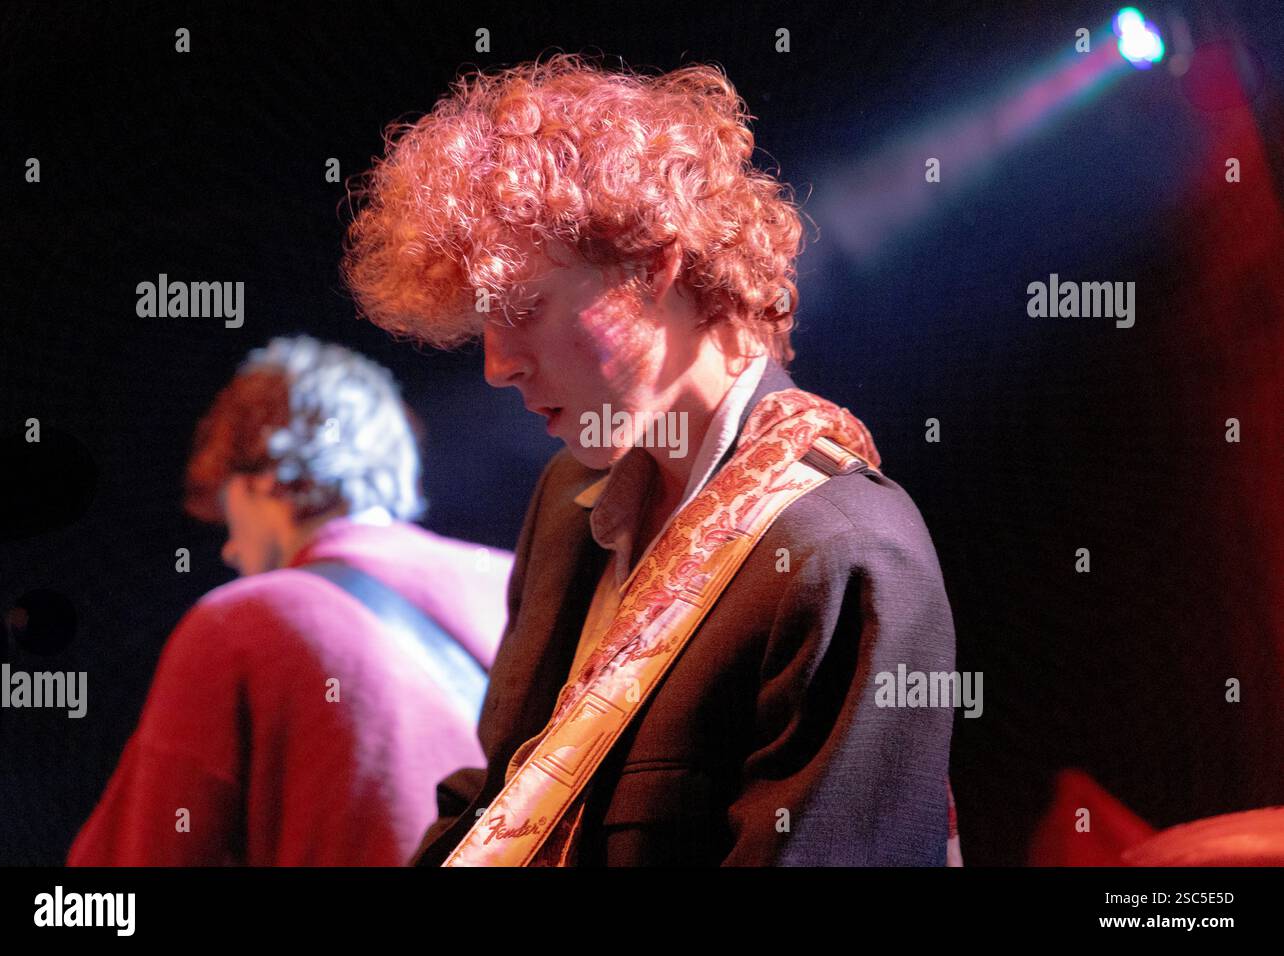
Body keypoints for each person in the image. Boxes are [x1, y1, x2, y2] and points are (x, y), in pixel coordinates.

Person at [343, 53, 960, 865]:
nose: (497, 365)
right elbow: (497, 804)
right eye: (479, 324)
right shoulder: (569, 503)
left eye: (525, 308)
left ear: (652, 266)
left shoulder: (847, 553)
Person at [67, 335, 512, 865]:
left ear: (268, 476)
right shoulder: (517, 582)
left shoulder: (238, 622)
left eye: (227, 506)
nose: (231, 548)